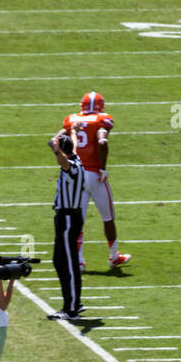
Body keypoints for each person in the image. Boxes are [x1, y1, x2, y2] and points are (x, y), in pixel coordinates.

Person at [60, 92, 130, 270]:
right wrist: (103, 167)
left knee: (78, 220)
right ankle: (114, 256)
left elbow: (57, 139)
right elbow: (102, 142)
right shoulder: (101, 120)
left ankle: (79, 261)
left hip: (76, 176)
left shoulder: (72, 120)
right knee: (108, 217)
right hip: (94, 175)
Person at [48, 131, 85, 322]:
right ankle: (73, 302)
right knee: (59, 261)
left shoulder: (71, 167)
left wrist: (56, 148)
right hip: (65, 217)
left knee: (69, 264)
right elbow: (73, 145)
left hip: (69, 218)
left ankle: (71, 308)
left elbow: (62, 161)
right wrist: (70, 130)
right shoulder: (75, 157)